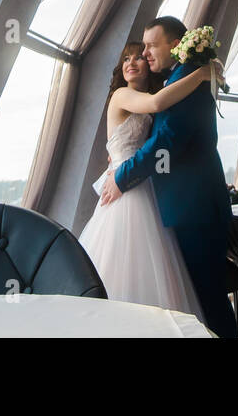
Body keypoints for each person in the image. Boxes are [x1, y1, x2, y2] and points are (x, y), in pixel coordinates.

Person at [98, 16, 238, 338]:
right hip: (180, 204)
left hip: (193, 208)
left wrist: (122, 176)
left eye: (149, 46)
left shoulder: (184, 80)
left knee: (208, 300)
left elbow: (166, 143)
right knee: (197, 298)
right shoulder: (177, 80)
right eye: (135, 52)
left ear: (174, 45)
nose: (143, 54)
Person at [77, 41, 215, 320]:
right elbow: (156, 102)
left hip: (144, 185)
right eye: (126, 58)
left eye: (139, 57)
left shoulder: (145, 98)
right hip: (124, 190)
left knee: (152, 263)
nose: (131, 62)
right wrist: (201, 75)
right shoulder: (121, 94)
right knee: (122, 260)